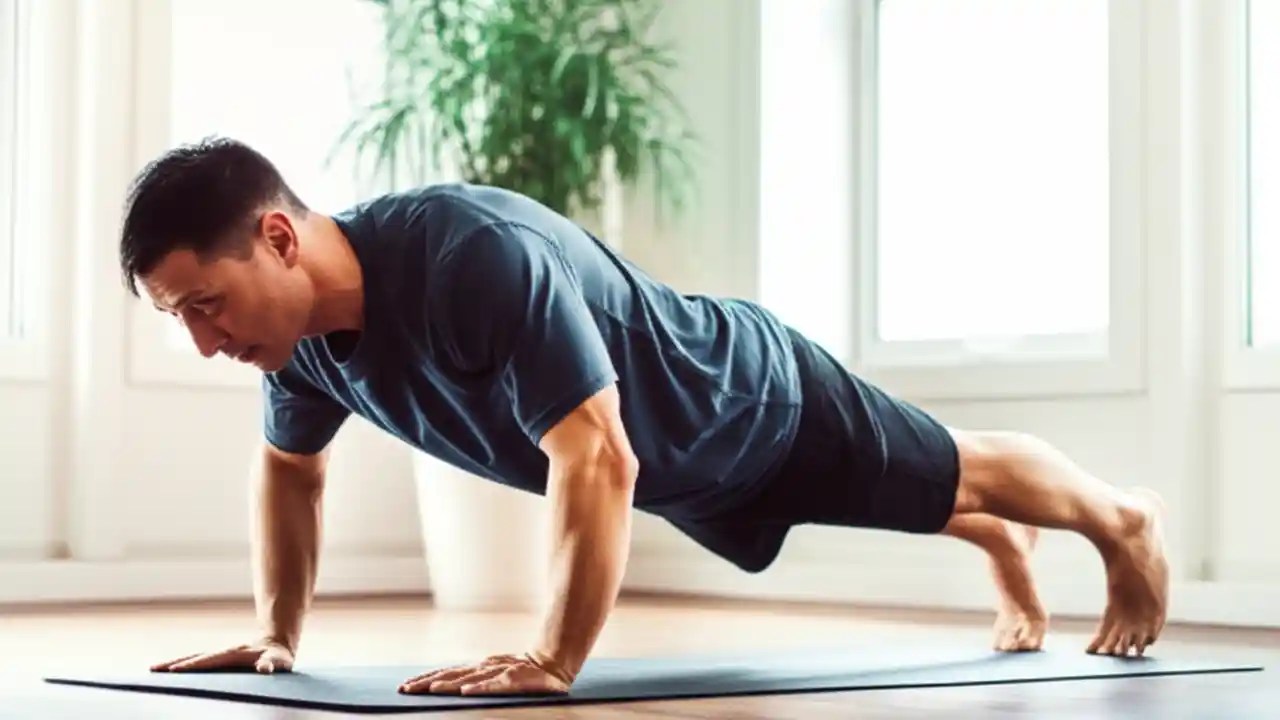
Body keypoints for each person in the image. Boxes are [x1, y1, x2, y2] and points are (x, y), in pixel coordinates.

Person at [118, 137, 1169, 697]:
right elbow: (291, 475)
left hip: (747, 397)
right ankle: (992, 537)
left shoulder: (468, 255)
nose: (206, 342)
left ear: (277, 237)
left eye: (205, 304)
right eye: (181, 322)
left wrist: (551, 656)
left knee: (959, 467)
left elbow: (596, 457)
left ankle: (1121, 522)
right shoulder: (295, 350)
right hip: (681, 474)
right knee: (912, 497)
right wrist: (273, 634)